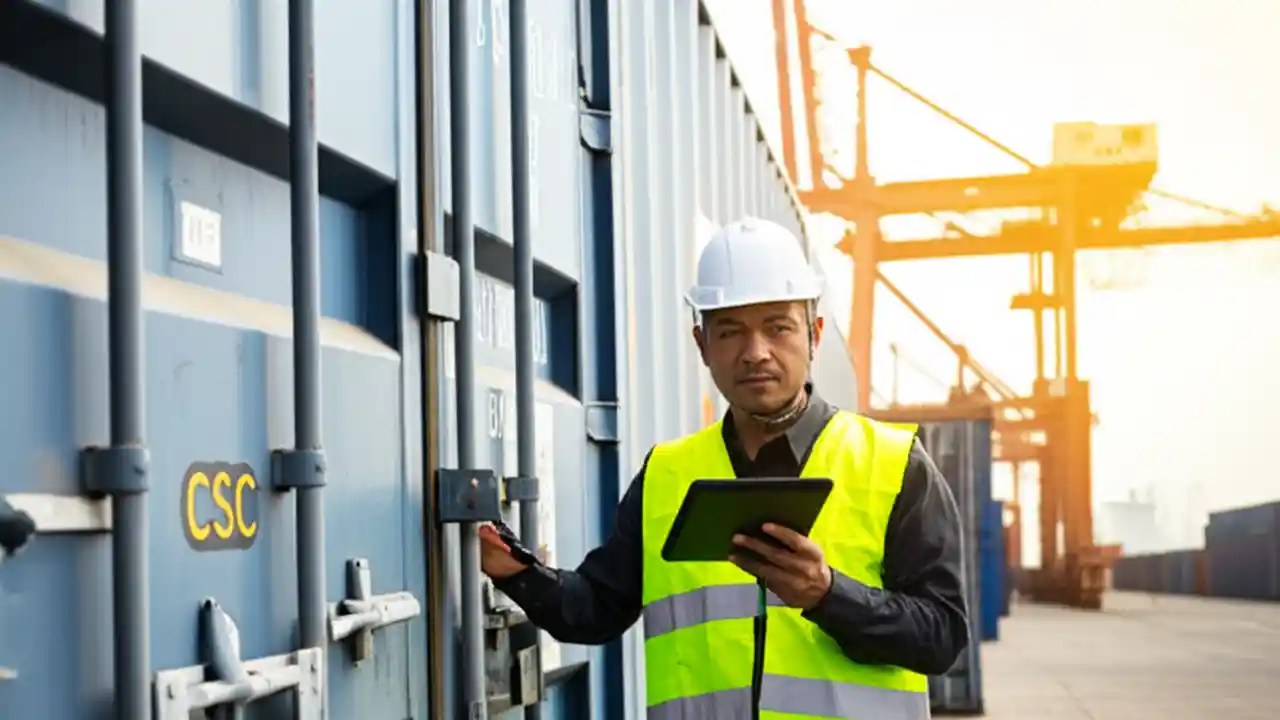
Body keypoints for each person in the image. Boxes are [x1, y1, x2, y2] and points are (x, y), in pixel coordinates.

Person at [480, 217, 969, 719]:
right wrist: (516, 572)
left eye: (778, 327)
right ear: (702, 345)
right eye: (731, 332)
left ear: (814, 334)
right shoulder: (667, 475)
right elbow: (596, 610)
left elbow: (942, 637)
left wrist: (828, 594)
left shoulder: (894, 465)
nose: (756, 353)